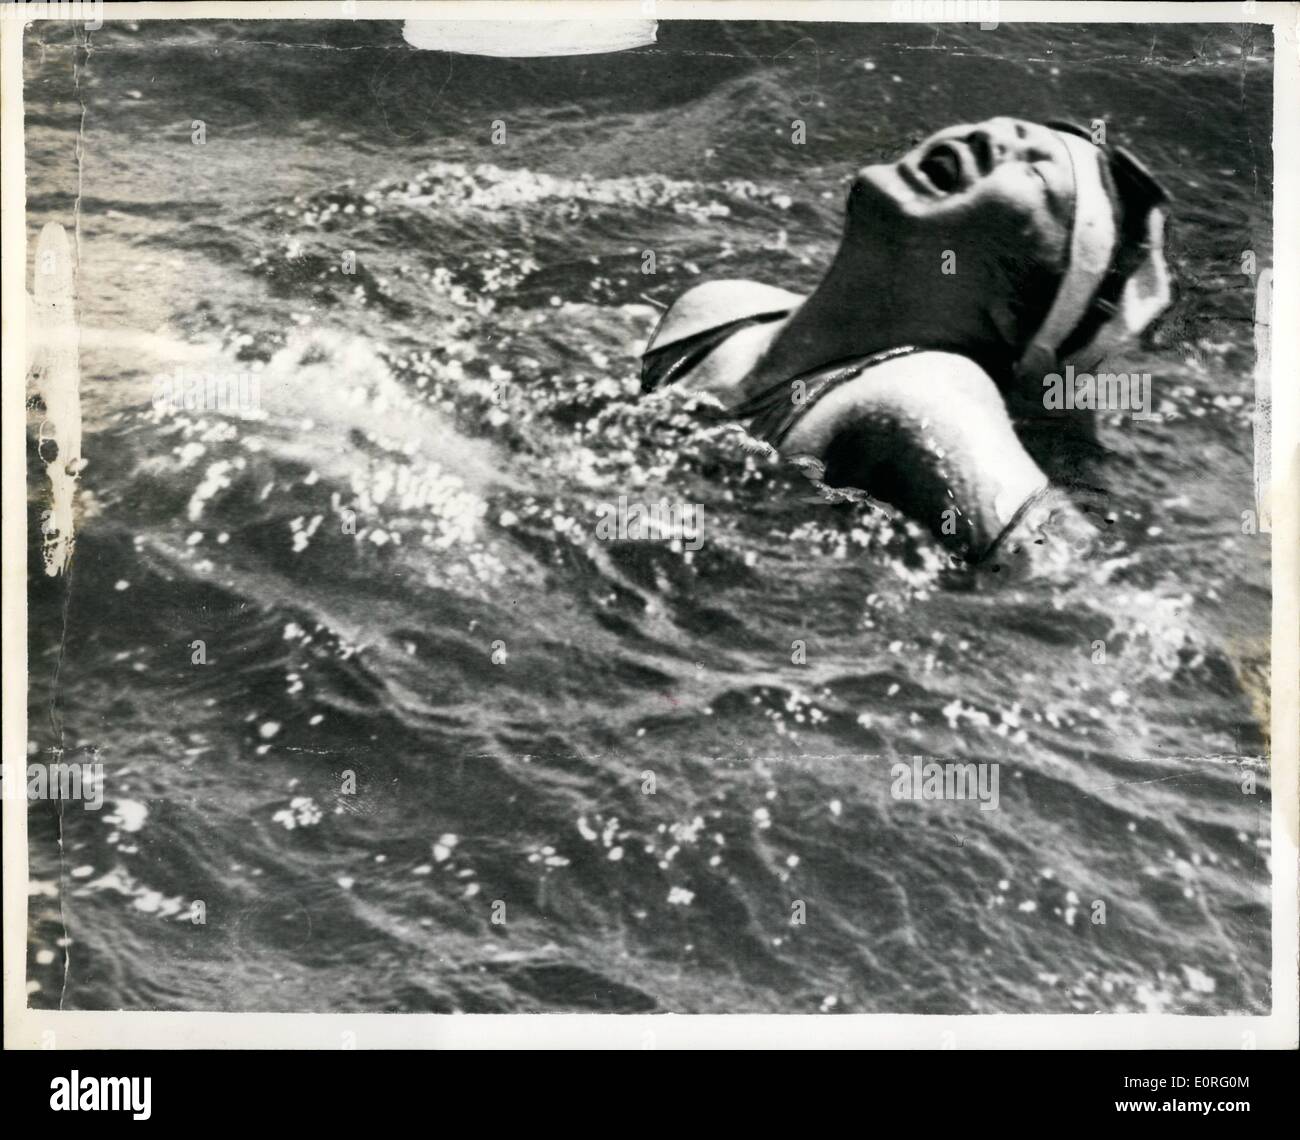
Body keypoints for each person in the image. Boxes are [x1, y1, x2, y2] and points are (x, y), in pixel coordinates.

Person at [641, 117, 1172, 570]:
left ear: (1014, 316)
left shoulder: (924, 395)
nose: (988, 140)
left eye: (1034, 173)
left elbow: (1067, 585)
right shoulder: (718, 311)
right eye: (996, 126)